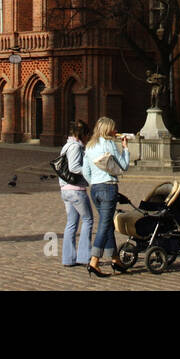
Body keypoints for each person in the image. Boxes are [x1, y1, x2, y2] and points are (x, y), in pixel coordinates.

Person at [81, 117, 130, 277]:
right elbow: (124, 166)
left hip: (95, 189)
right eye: (114, 129)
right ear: (108, 130)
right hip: (108, 188)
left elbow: (85, 171)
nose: (116, 131)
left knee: (107, 224)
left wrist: (94, 182)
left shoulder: (90, 145)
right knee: (104, 225)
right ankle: (94, 261)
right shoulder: (109, 144)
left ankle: (115, 259)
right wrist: (125, 148)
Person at [58, 120, 93, 267]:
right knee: (88, 220)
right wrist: (89, 172)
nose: (88, 138)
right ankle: (84, 257)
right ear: (82, 134)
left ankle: (68, 258)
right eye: (87, 135)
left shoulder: (67, 146)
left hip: (65, 189)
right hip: (75, 190)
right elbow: (74, 167)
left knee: (71, 223)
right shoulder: (75, 147)